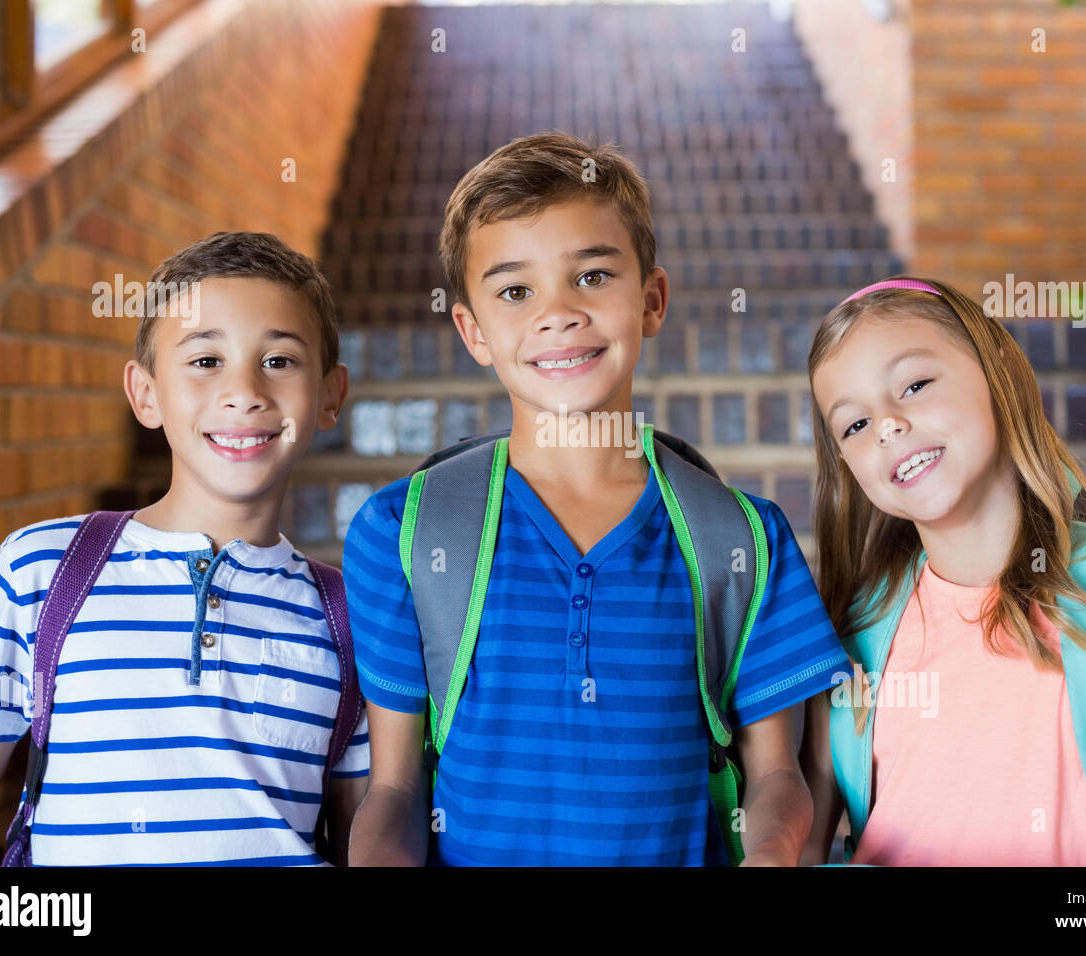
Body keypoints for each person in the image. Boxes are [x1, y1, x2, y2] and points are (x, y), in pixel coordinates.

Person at [344, 132, 849, 866]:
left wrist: (771, 851)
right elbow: (393, 793)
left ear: (652, 300)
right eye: (516, 291)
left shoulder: (742, 537)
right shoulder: (403, 531)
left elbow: (776, 775)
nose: (559, 314)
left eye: (593, 277)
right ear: (472, 331)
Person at [0, 231, 369, 866]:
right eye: (204, 361)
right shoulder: (44, 569)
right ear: (146, 394)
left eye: (279, 360)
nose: (244, 391)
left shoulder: (350, 617)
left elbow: (361, 824)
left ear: (330, 395)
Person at [800, 276, 1086, 866]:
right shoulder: (847, 640)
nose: (886, 425)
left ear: (997, 371)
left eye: (914, 384)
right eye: (853, 424)